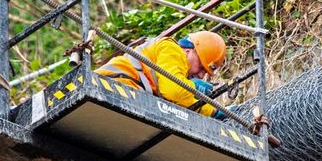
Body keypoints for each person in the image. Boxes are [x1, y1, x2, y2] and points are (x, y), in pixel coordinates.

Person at [95, 30, 226, 117]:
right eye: (202, 67)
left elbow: (179, 102)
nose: (201, 75)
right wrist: (194, 87)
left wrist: (212, 111)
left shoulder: (169, 73)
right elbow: (174, 91)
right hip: (112, 84)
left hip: (123, 90)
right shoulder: (172, 48)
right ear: (188, 51)